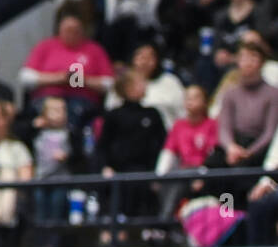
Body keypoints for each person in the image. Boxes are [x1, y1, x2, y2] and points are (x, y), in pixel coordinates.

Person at [203, 41, 278, 203]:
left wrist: (249, 152)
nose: (248, 62)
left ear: (262, 62)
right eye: (243, 57)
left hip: (258, 147)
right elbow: (224, 127)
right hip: (234, 145)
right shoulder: (230, 93)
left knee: (251, 171)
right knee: (217, 167)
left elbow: (270, 131)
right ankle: (226, 214)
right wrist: (231, 147)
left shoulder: (273, 93)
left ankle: (248, 213)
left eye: (253, 57)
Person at [20, 6, 115, 127]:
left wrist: (84, 80)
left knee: (76, 113)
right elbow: (26, 77)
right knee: (51, 112)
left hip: (82, 98)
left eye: (75, 30)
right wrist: (60, 78)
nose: (71, 34)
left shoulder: (94, 50)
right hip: (47, 96)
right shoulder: (45, 46)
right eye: (68, 30)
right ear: (59, 30)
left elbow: (110, 83)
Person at [95, 70, 168, 218]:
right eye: (140, 83)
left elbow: (163, 145)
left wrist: (158, 172)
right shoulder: (114, 115)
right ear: (128, 88)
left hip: (146, 172)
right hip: (119, 173)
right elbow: (103, 146)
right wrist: (105, 167)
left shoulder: (152, 114)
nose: (145, 86)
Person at [154, 84, 217, 219]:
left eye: (195, 97)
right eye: (187, 98)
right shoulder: (179, 125)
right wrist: (158, 176)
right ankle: (165, 222)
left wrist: (202, 175)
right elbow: (168, 151)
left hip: (206, 172)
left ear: (205, 102)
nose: (190, 101)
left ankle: (163, 221)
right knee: (170, 179)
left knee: (178, 178)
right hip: (183, 172)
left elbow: (215, 153)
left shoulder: (213, 124)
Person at [194, 0, 257, 95]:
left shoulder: (259, 12)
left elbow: (263, 46)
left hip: (250, 62)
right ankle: (207, 106)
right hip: (226, 61)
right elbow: (216, 44)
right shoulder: (220, 15)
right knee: (204, 64)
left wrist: (236, 58)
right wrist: (217, 54)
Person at [31, 96, 85, 225]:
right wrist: (32, 126)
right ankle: (40, 238)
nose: (59, 114)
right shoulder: (37, 132)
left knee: (57, 205)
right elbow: (23, 138)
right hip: (40, 178)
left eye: (62, 110)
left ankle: (54, 241)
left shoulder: (70, 133)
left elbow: (79, 154)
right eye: (54, 110)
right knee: (39, 205)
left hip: (61, 179)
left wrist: (67, 156)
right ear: (44, 113)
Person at [106, 41, 184, 130]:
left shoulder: (170, 81)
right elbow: (111, 110)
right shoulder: (122, 81)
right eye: (141, 57)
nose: (145, 62)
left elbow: (183, 113)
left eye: (150, 57)